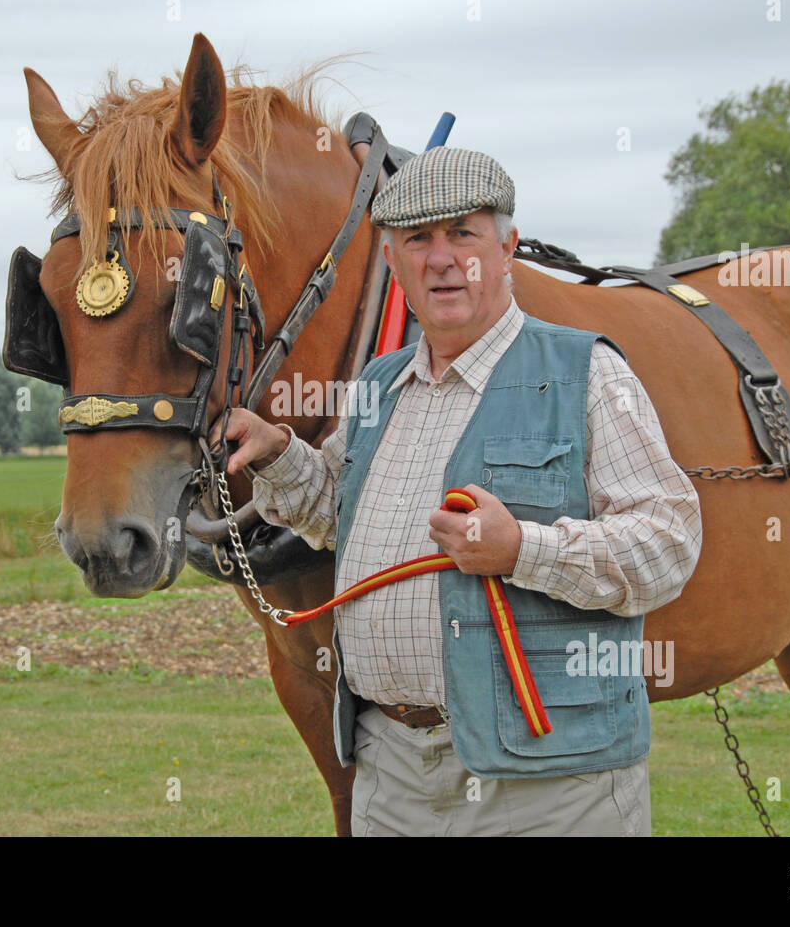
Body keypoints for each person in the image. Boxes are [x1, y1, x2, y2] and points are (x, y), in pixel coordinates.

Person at [224, 146, 703, 836]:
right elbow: (342, 515)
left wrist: (523, 550)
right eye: (418, 238)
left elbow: (670, 544)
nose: (441, 258)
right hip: (389, 772)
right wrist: (278, 457)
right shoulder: (377, 388)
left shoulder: (589, 374)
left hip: (548, 783)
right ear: (393, 262)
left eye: (464, 234)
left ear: (506, 248)